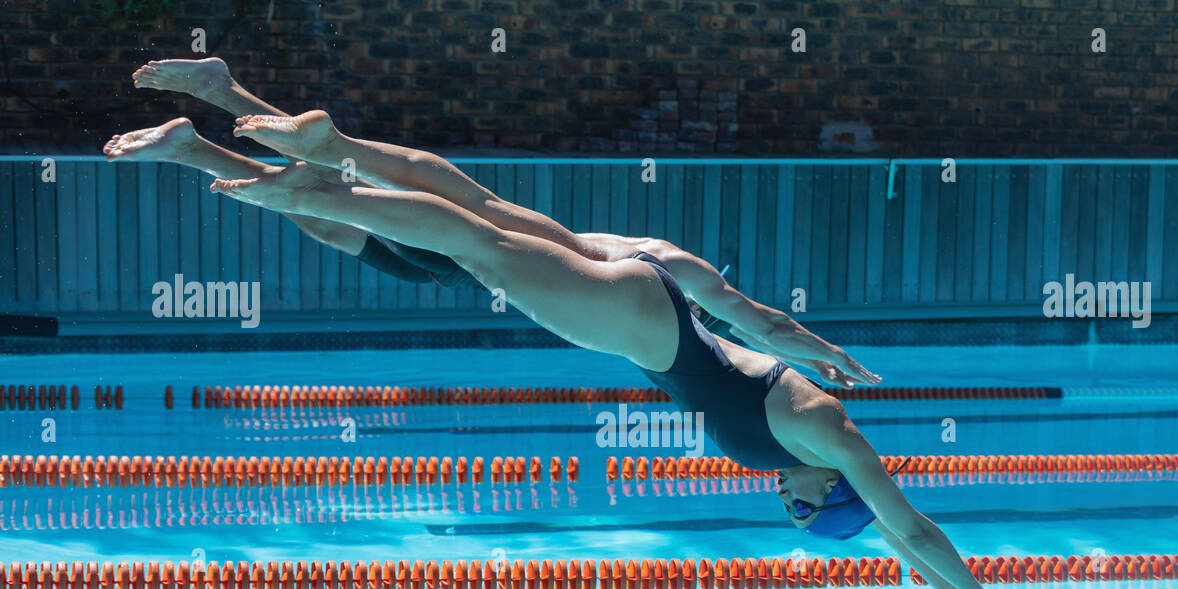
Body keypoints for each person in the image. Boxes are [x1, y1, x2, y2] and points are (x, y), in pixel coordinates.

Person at [185, 105, 1034, 589]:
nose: (787, 500)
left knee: (482, 218)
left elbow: (892, 536)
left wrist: (824, 349)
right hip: (641, 327)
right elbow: (911, 525)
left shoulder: (813, 439)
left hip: (653, 294)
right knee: (481, 247)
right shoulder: (824, 432)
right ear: (834, 488)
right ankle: (317, 185)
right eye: (802, 506)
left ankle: (317, 146)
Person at [110, 57, 875, 389]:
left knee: (348, 206)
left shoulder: (651, 257)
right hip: (480, 262)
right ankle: (199, 140)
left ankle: (221, 112)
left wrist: (820, 348)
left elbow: (760, 318)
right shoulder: (670, 283)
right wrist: (821, 353)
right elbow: (763, 321)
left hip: (499, 247)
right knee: (327, 201)